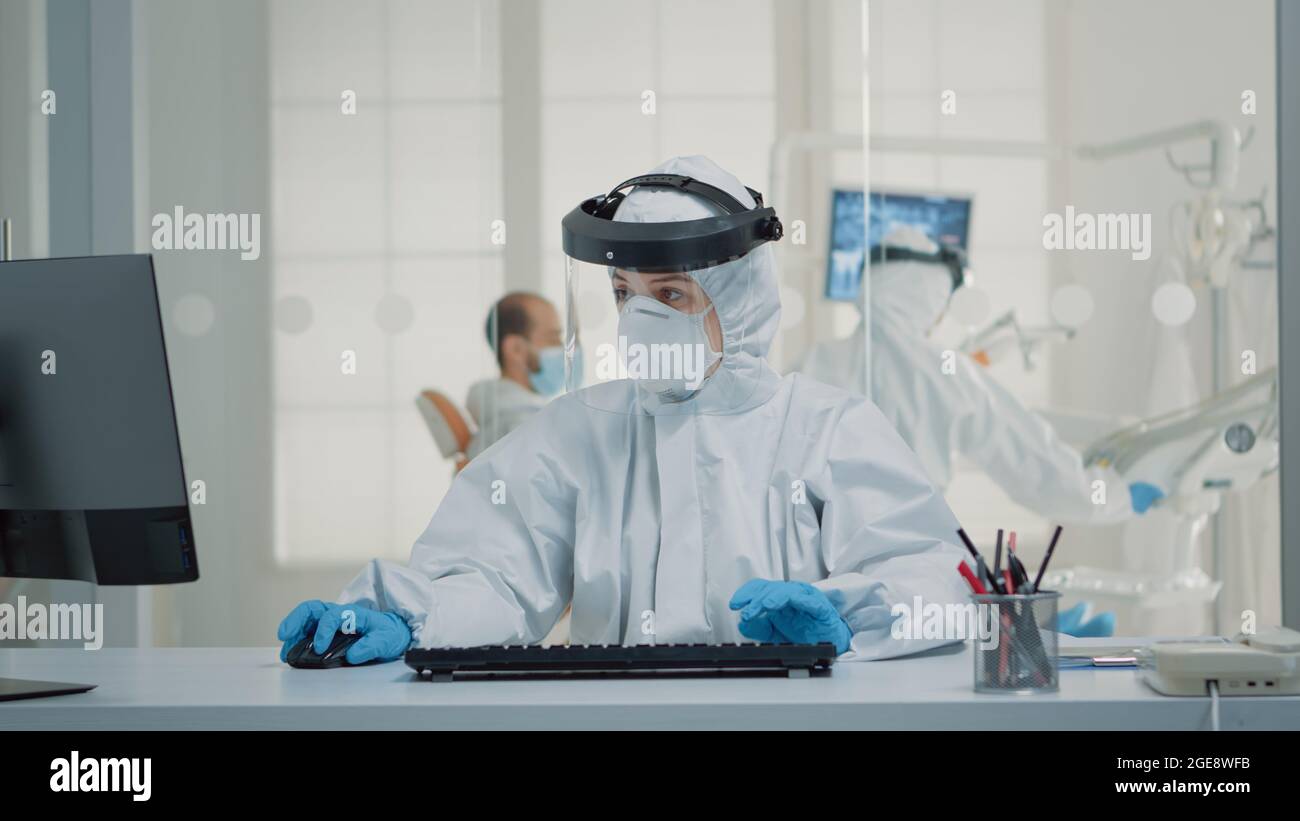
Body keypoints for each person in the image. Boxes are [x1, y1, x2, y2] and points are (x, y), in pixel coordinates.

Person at [279, 156, 972, 666]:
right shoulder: (581, 430)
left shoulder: (827, 428)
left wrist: (848, 615)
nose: (639, 321)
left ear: (740, 298)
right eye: (623, 294)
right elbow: (494, 570)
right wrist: (408, 613)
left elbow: (935, 573)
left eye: (669, 296)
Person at [799, 230, 1165, 526]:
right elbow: (1030, 462)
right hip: (905, 552)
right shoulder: (948, 372)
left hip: (815, 553)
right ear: (926, 295)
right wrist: (1113, 497)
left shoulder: (811, 362)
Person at [464, 292, 565, 460]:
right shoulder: (522, 424)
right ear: (516, 349)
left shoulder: (501, 417)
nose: (564, 349)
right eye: (553, 339)